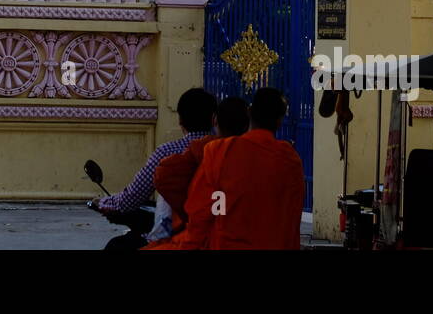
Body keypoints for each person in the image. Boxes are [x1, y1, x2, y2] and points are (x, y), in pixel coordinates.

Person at [179, 87, 305, 249]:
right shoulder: (290, 159)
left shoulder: (221, 151)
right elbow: (292, 217)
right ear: (280, 120)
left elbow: (201, 213)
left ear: (250, 112)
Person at [93, 87, 216, 249]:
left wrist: (103, 203)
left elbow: (132, 197)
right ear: (214, 119)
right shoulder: (227, 152)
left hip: (179, 236)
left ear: (180, 120)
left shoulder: (167, 153)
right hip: (217, 233)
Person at [145, 96, 250, 246]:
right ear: (248, 126)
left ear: (214, 120)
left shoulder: (206, 152)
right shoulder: (263, 157)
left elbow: (200, 216)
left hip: (205, 238)